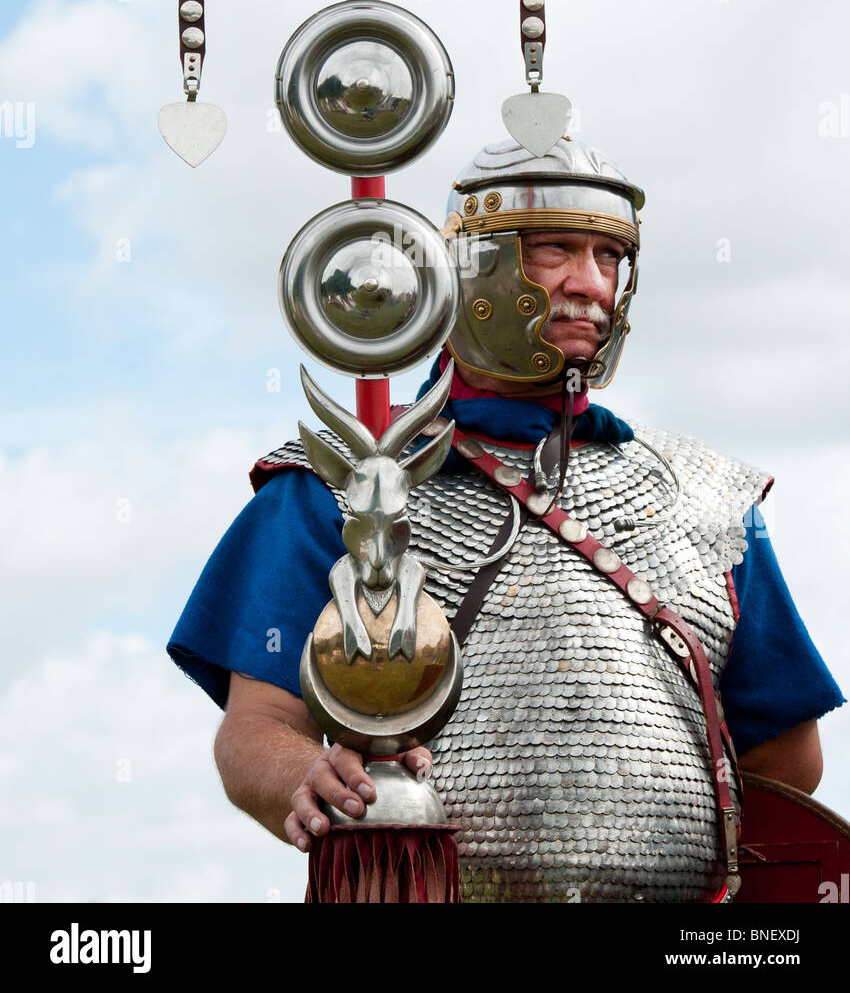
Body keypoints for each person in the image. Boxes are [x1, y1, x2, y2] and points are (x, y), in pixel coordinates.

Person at [168, 136, 844, 903]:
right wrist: (308, 776)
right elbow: (256, 726)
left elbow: (784, 761)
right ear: (472, 266)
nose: (591, 283)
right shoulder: (344, 481)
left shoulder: (704, 495)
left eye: (610, 256)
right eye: (556, 249)